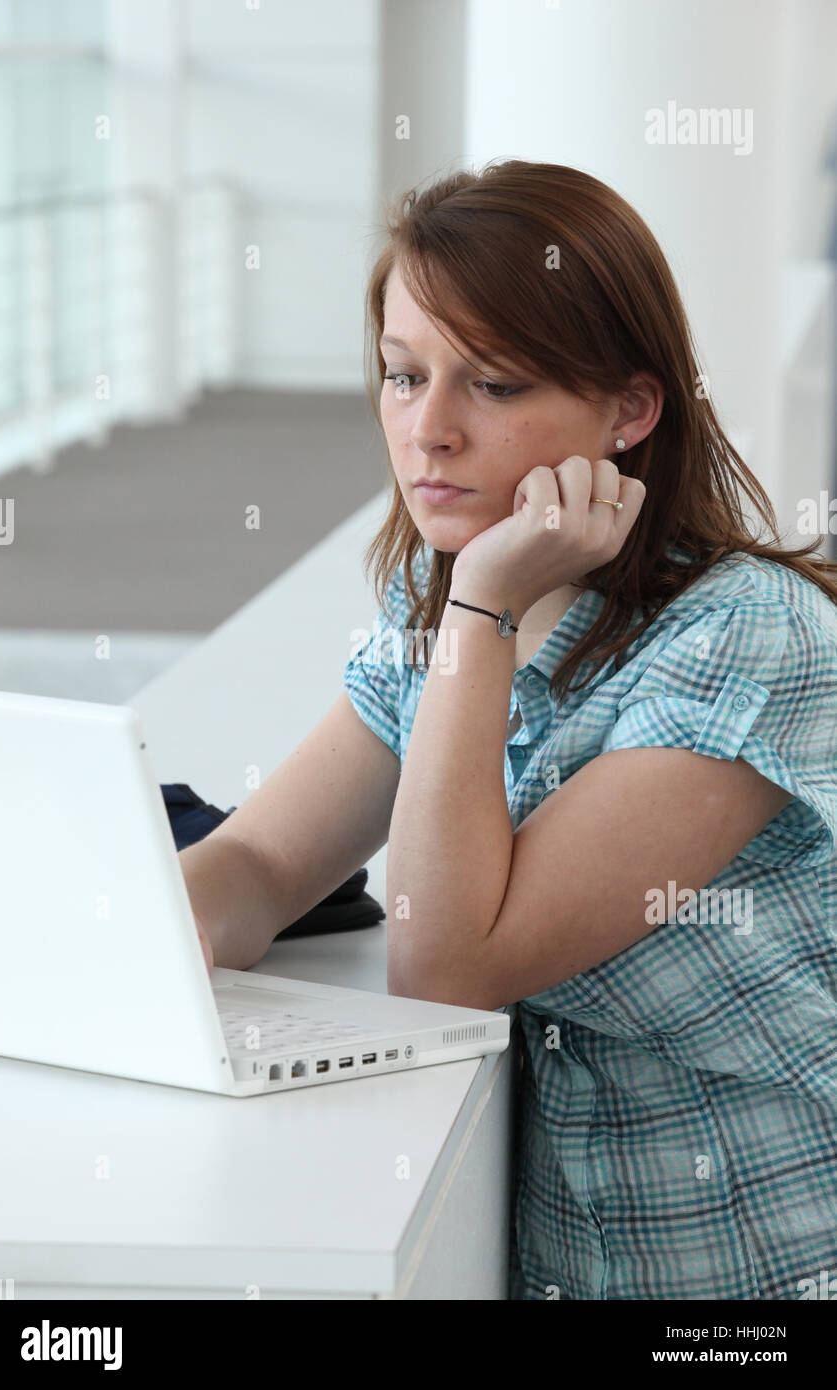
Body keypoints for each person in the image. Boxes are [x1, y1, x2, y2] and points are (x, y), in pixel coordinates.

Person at [180, 160, 837, 1301]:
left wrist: (480, 604)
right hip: (559, 1261)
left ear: (630, 410)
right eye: (401, 374)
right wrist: (125, 947)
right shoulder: (426, 603)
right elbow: (261, 859)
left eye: (490, 384)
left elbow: (446, 963)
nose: (426, 429)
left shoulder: (744, 635)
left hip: (753, 1273)